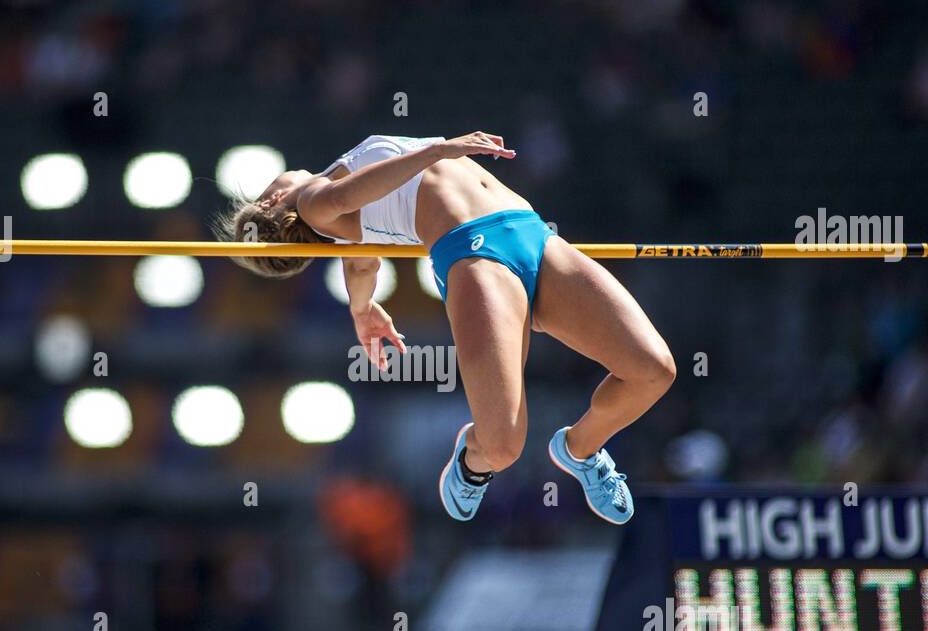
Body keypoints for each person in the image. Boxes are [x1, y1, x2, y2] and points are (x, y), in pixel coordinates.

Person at [215, 133, 675, 524]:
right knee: (501, 448)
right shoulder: (315, 202)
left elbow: (359, 263)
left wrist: (364, 311)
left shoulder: (339, 214)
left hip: (533, 234)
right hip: (476, 254)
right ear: (273, 202)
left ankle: (580, 448)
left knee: (653, 369)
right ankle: (472, 461)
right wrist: (439, 151)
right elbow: (342, 200)